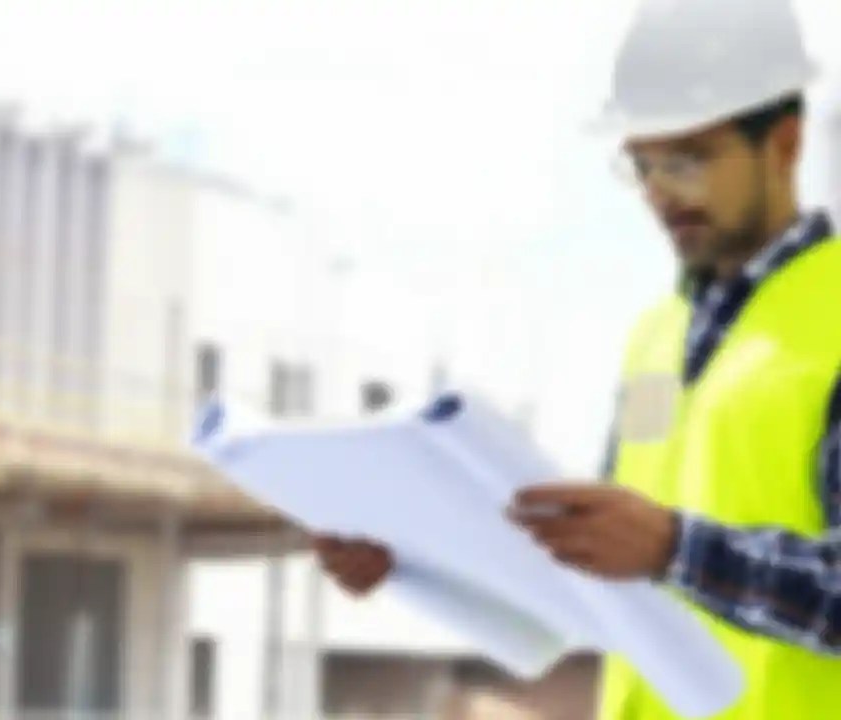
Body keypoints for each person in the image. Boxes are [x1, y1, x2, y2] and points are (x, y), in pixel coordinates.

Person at [316, 1, 841, 718]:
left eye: (688, 159)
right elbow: (592, 593)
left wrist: (673, 549)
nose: (660, 193)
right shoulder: (655, 339)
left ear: (784, 143)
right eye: (642, 165)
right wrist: (413, 566)